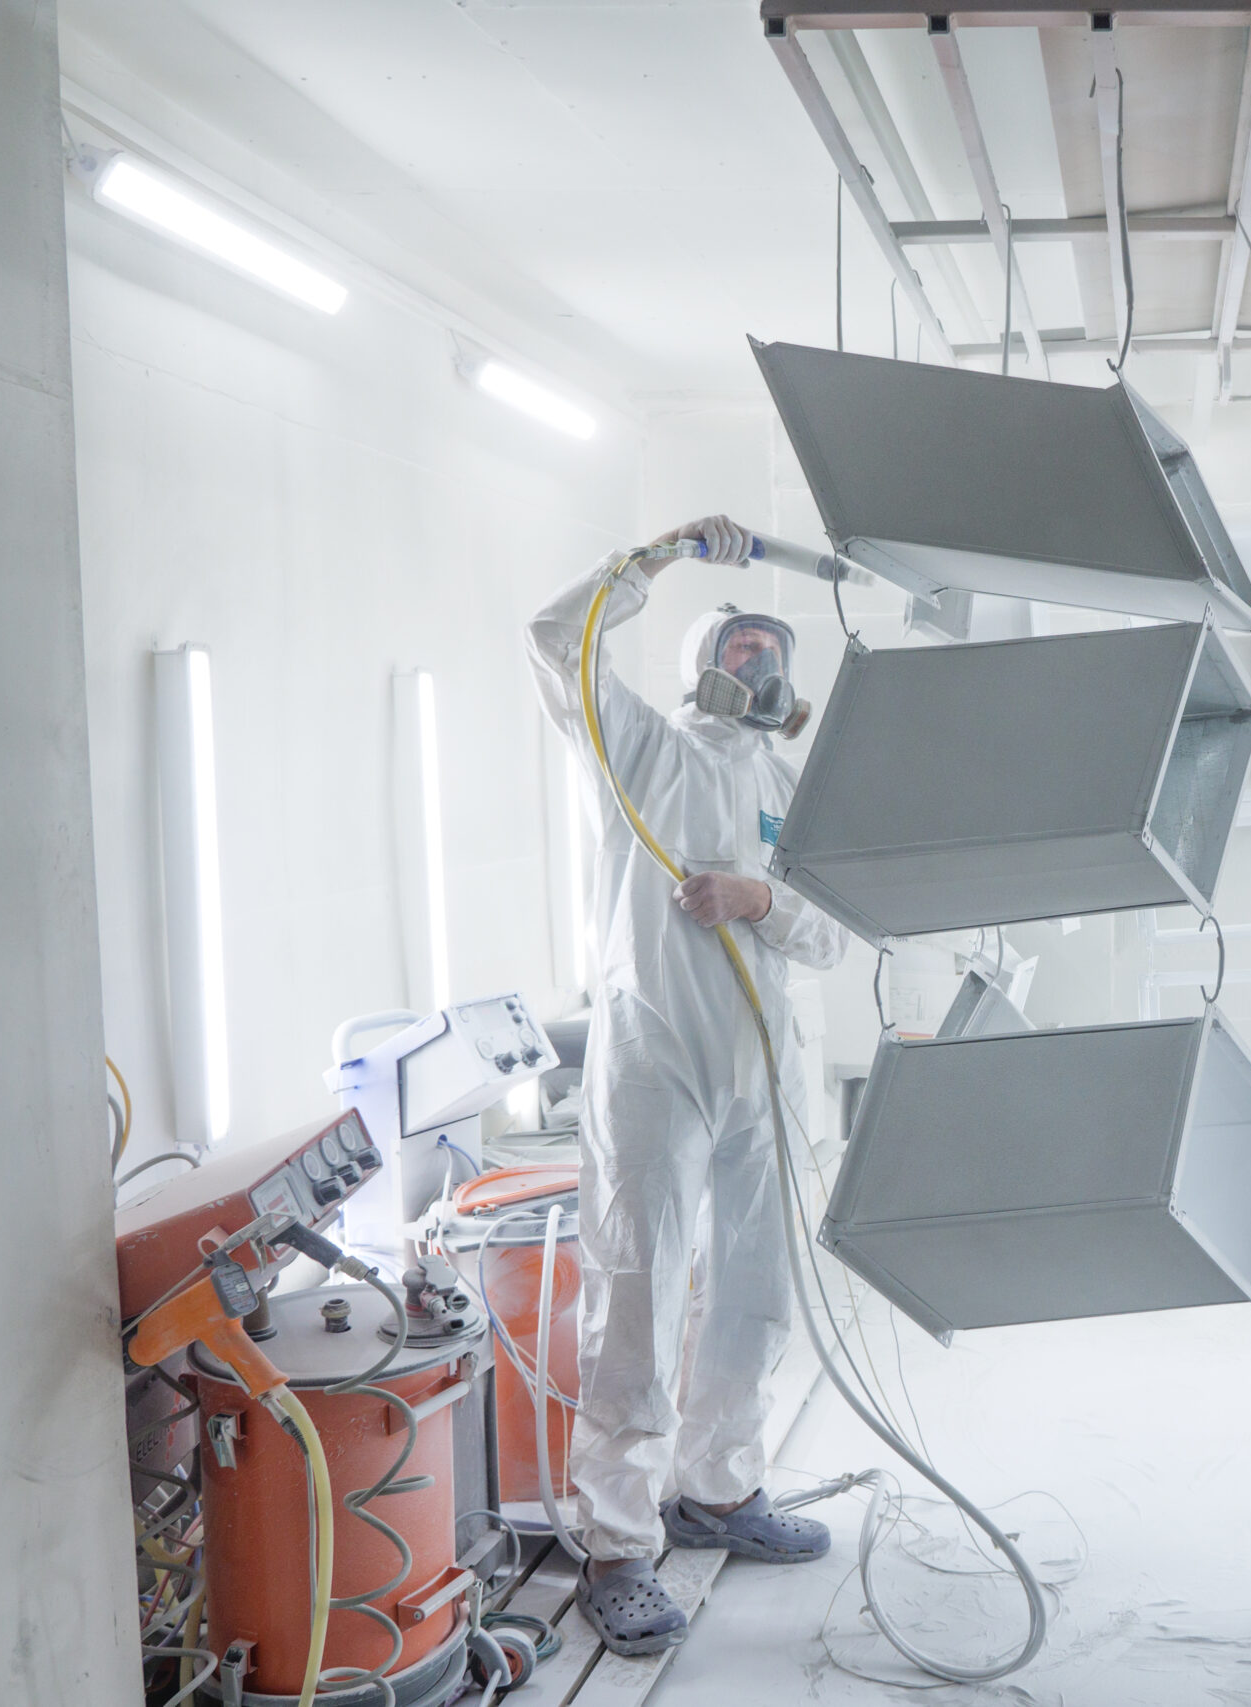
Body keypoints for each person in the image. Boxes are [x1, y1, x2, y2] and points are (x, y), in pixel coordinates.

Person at [524, 515, 849, 1656]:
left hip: (764, 1073)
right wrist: (656, 558)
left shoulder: (795, 784)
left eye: (774, 650)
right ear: (703, 658)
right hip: (657, 1064)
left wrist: (759, 900)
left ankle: (720, 1488)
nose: (759, 665)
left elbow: (835, 937)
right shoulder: (643, 747)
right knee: (639, 1296)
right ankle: (617, 1545)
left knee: (758, 1298)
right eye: (741, 646)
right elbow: (555, 636)